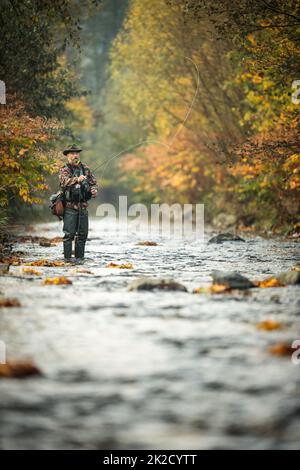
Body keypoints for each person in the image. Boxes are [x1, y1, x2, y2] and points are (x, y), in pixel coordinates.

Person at [59, 144, 98, 262]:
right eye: (72, 153)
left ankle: (80, 259)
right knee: (69, 236)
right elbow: (64, 182)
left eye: (76, 153)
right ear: (67, 156)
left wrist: (94, 190)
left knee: (82, 235)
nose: (75, 155)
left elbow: (94, 182)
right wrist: (77, 179)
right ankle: (67, 260)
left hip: (83, 206)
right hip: (69, 207)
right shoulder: (64, 169)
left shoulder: (85, 168)